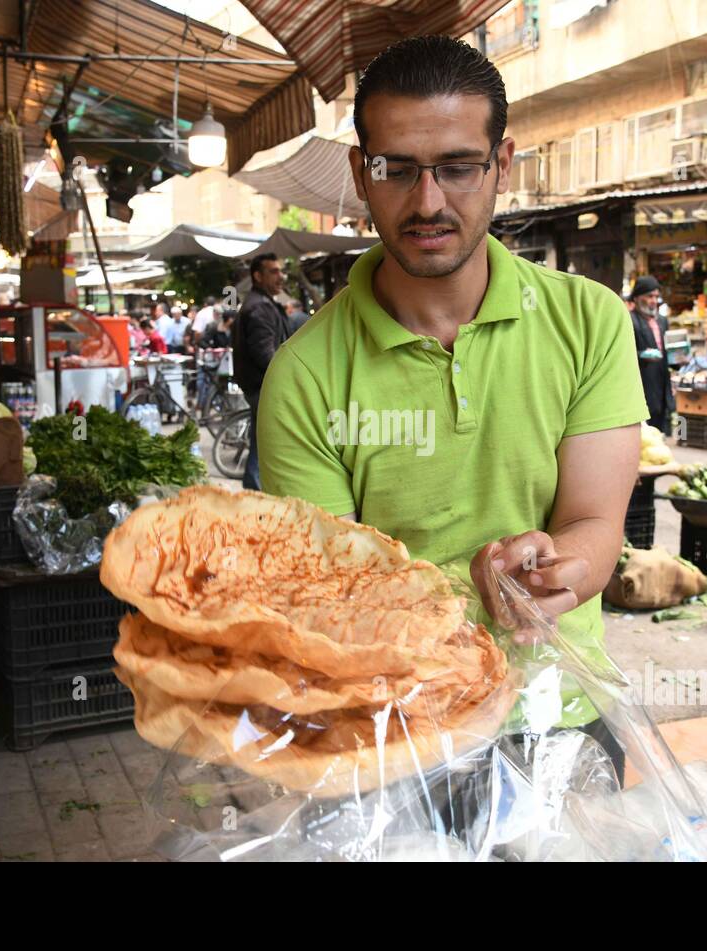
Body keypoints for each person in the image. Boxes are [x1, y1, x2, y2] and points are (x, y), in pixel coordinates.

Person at [258, 35, 646, 741]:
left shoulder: (589, 321)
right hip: (395, 733)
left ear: (501, 164)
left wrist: (551, 573)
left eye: (458, 167)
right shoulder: (304, 377)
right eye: (397, 169)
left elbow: (596, 523)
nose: (427, 201)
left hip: (563, 715)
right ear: (361, 171)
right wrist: (456, 598)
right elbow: (331, 593)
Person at [232, 253, 291, 490]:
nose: (281, 276)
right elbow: (265, 354)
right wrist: (289, 378)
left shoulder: (262, 304)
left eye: (281, 271)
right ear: (257, 276)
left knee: (261, 444)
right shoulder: (259, 307)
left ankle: (254, 492)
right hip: (263, 387)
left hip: (261, 386)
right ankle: (255, 493)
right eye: (274, 272)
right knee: (264, 446)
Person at [628, 275, 673, 434]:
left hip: (661, 377)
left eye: (656, 296)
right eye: (649, 296)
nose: (654, 300)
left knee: (661, 416)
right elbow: (625, 351)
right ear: (638, 297)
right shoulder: (629, 319)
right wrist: (642, 354)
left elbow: (666, 347)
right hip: (643, 377)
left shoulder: (662, 320)